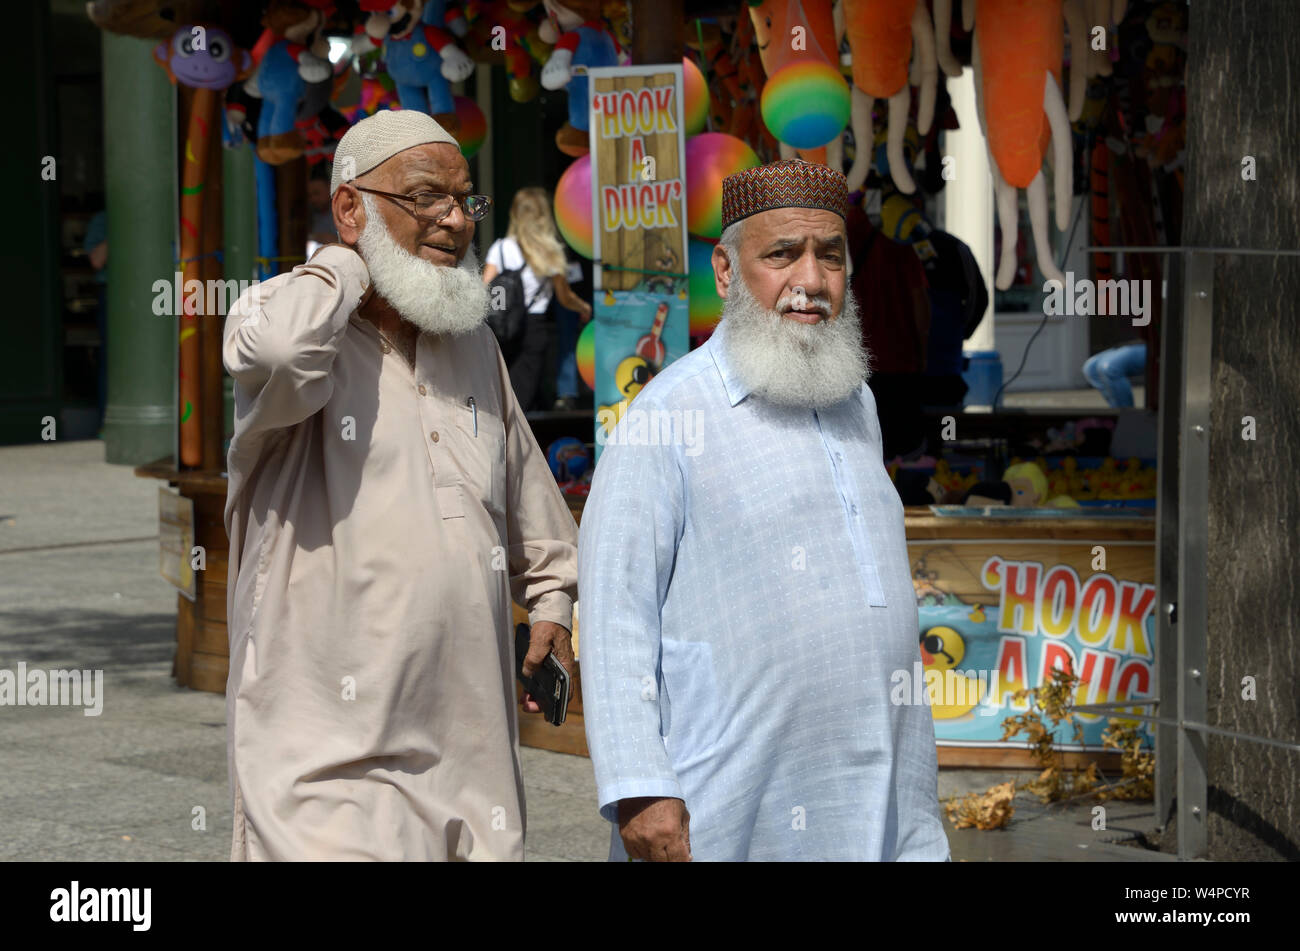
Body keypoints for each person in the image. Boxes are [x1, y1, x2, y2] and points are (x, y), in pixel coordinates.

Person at [221, 110, 579, 861]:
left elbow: (526, 494)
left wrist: (551, 600)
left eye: (464, 200)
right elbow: (285, 352)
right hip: (325, 774)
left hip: (469, 761)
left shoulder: (473, 342)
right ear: (351, 206)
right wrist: (353, 259)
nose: (454, 220)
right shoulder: (290, 319)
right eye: (425, 199)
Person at [578, 158, 951, 862]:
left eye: (830, 257)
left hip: (881, 788)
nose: (810, 282)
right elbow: (613, 609)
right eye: (782, 254)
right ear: (724, 271)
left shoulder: (857, 402)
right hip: (727, 802)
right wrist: (638, 784)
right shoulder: (668, 413)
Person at [481, 187, 592, 411]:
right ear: (545, 216)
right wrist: (584, 307)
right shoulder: (550, 252)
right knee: (524, 398)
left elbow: (484, 288)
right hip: (534, 329)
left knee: (504, 395)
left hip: (504, 328)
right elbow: (565, 297)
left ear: (515, 214)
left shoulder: (501, 248)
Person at [847, 196, 932, 459]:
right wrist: (922, 352)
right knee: (904, 451)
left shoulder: (843, 240)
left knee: (868, 450)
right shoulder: (902, 246)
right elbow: (920, 304)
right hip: (901, 363)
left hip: (859, 365)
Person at [1082, 341, 1147, 408]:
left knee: (1111, 367)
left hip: (1154, 345)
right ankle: (1116, 410)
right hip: (1137, 342)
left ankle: (1126, 413)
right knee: (1091, 368)